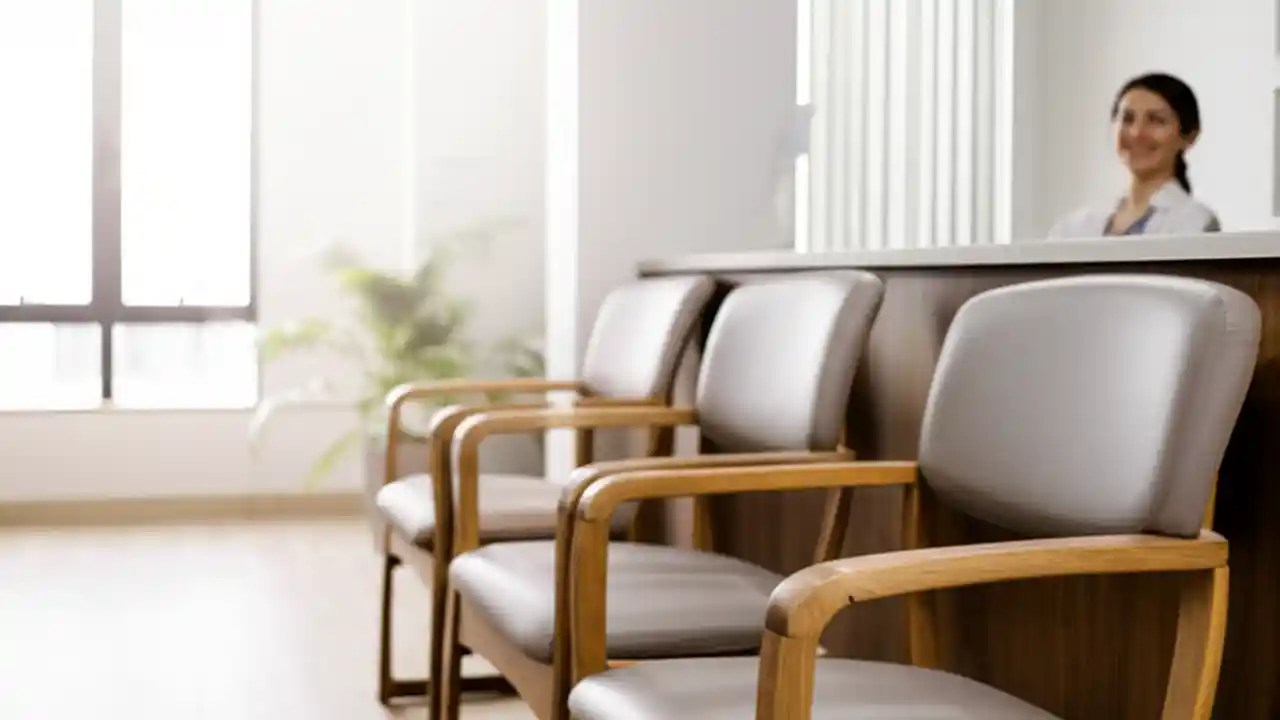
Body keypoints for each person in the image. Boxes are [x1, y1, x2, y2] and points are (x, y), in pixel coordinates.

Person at [1049, 72, 1220, 238]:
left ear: (1189, 136)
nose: (1136, 133)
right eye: (1127, 119)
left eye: (1156, 120)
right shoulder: (1073, 228)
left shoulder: (1196, 223)